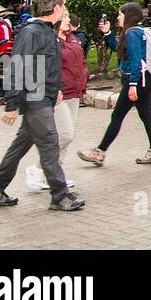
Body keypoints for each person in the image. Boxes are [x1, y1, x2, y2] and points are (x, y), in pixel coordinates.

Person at [0, 0, 84, 211]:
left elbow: (48, 66)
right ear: (55, 8)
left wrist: (57, 91)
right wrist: (12, 105)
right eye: (63, 6)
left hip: (42, 96)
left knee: (19, 146)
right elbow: (17, 67)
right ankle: (60, 195)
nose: (64, 11)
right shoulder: (32, 32)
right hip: (35, 99)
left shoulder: (45, 31)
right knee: (50, 145)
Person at [77, 3, 151, 166]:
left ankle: (100, 152)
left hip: (136, 80)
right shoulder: (136, 31)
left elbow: (136, 61)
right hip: (144, 79)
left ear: (128, 16)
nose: (117, 17)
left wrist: (132, 85)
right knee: (146, 115)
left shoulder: (131, 33)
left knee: (117, 116)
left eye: (120, 15)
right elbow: (121, 50)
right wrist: (108, 33)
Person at [27, 11, 87, 192]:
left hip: (75, 92)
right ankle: (38, 169)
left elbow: (80, 62)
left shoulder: (72, 38)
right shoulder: (50, 40)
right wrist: (55, 89)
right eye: (66, 17)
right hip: (60, 94)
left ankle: (55, 176)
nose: (69, 20)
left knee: (66, 138)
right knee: (65, 135)